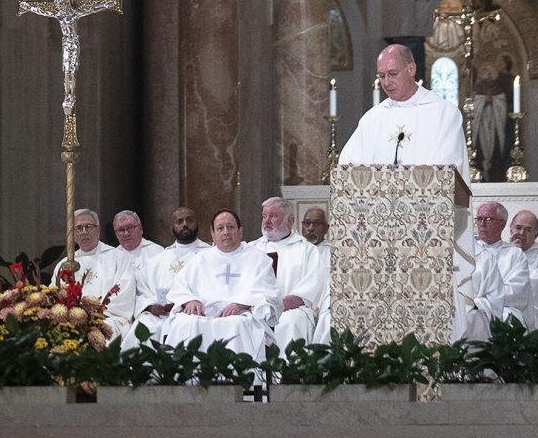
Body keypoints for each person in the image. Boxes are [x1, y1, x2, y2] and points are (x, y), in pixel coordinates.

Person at [163, 208, 278, 362]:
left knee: (237, 324)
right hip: (204, 313)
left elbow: (267, 291)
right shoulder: (200, 259)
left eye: (230, 227)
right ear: (213, 234)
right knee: (185, 322)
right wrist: (190, 300)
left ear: (240, 231)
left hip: (241, 314)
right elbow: (180, 286)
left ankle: (241, 383)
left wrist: (240, 304)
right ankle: (191, 382)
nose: (225, 232)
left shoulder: (258, 258)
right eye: (220, 228)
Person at [339, 43, 469, 169]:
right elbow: (348, 166)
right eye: (382, 76)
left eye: (393, 74)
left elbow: (448, 170)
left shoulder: (444, 114)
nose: (387, 82)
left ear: (411, 69)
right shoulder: (372, 119)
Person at [249, 196, 330, 348]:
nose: (267, 221)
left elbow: (314, 282)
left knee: (290, 321)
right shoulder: (252, 249)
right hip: (257, 307)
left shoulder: (307, 250)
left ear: (290, 220)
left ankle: (286, 372)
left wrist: (289, 302)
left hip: (292, 309)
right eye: (264, 216)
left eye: (273, 216)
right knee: (245, 320)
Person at [135, 205, 206, 339]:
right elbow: (143, 290)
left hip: (195, 313)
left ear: (197, 224)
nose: (185, 224)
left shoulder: (209, 254)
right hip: (161, 316)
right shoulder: (158, 260)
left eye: (189, 220)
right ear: (171, 228)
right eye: (179, 221)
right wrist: (151, 307)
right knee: (142, 327)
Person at [70, 208, 136, 338]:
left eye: (88, 226)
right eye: (79, 228)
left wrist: (94, 315)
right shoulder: (67, 264)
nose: (84, 232)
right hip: (73, 320)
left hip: (108, 318)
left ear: (98, 230)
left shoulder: (119, 257)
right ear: (72, 234)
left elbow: (124, 295)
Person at [472, 200, 530, 325]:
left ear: (502, 224)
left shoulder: (515, 255)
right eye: (479, 219)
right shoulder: (468, 252)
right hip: (470, 308)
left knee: (508, 322)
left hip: (504, 310)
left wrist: (481, 303)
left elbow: (517, 292)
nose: (482, 224)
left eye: (488, 219)